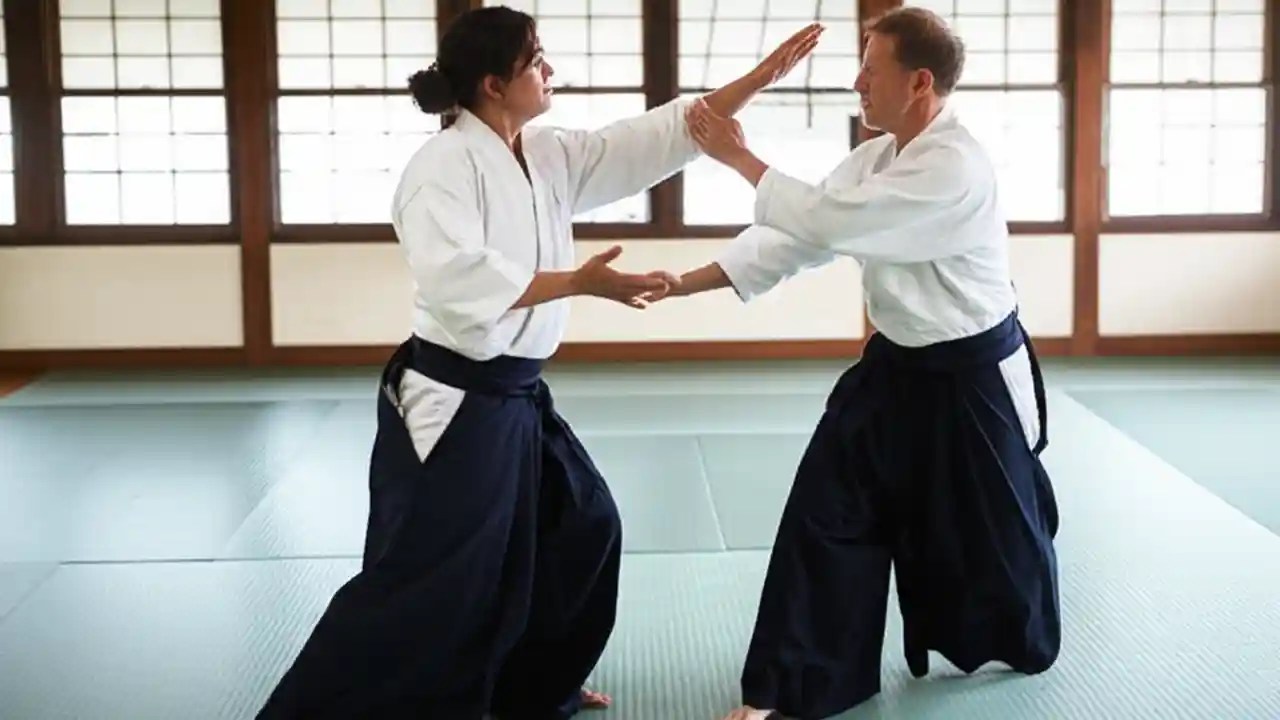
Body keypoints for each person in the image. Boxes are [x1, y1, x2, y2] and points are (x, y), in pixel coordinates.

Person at [255, 6, 823, 720]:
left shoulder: (545, 152)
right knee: (432, 577)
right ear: (494, 84)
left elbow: (659, 136)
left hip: (517, 397)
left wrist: (761, 78)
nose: (550, 71)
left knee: (583, 529)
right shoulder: (441, 170)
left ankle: (529, 685)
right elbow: (461, 283)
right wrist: (579, 282)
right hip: (456, 397)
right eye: (536, 62)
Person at [668, 8, 1062, 720]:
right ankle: (787, 686)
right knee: (825, 510)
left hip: (971, 380)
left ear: (917, 83)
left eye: (869, 69)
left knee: (991, 544)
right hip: (892, 372)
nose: (857, 83)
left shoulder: (954, 165)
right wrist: (685, 281)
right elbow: (802, 233)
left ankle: (1018, 632)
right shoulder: (877, 158)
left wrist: (740, 157)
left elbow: (832, 221)